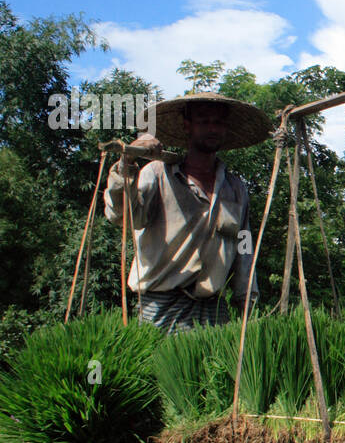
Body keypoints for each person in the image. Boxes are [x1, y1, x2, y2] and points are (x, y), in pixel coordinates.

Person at [104, 93, 269, 333]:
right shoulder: (159, 175)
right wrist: (127, 162)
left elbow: (244, 244)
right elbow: (123, 216)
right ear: (187, 126)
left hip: (213, 310)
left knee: (214, 368)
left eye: (218, 122)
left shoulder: (235, 189)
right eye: (204, 121)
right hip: (161, 306)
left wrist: (246, 296)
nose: (212, 128)